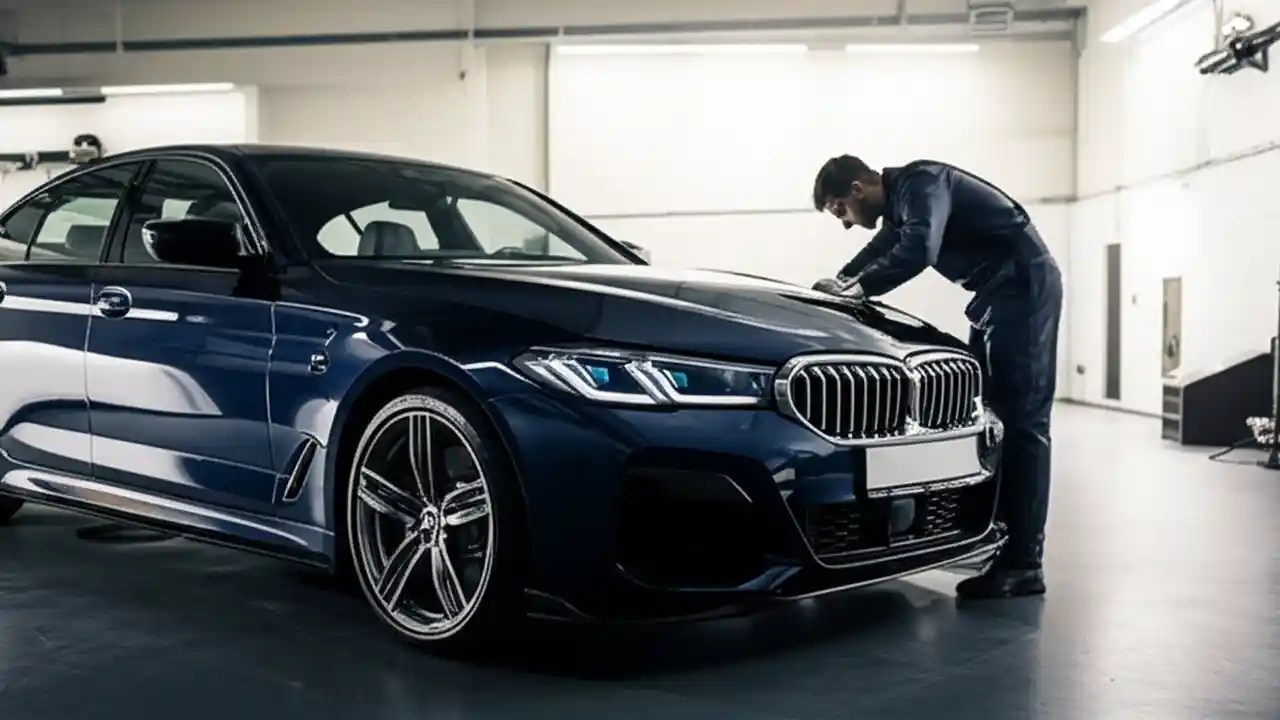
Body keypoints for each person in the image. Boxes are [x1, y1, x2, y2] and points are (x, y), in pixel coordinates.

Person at [811, 155, 1062, 599]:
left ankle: (1024, 564)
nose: (846, 224)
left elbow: (919, 248)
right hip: (994, 295)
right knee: (994, 419)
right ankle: (1001, 543)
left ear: (856, 189)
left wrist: (860, 288)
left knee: (1023, 423)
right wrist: (838, 284)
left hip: (1021, 287)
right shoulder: (902, 203)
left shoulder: (923, 183)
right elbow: (880, 251)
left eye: (839, 212)